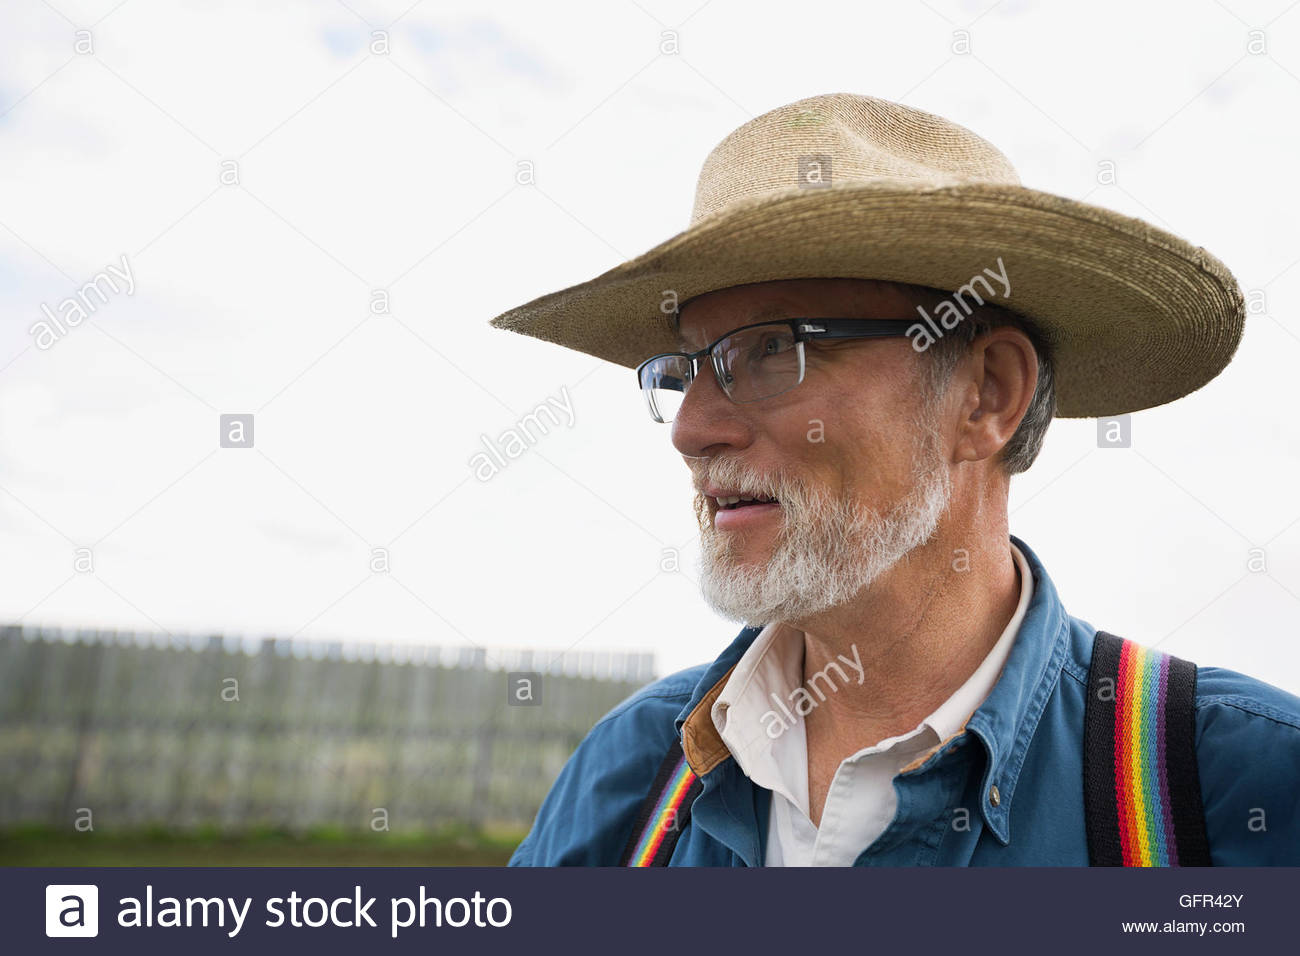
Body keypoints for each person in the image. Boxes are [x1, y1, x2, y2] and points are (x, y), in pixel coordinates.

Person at [489, 93, 1300, 865]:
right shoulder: (629, 774)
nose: (693, 431)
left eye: (771, 349)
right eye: (683, 371)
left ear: (988, 395)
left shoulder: (1241, 785)